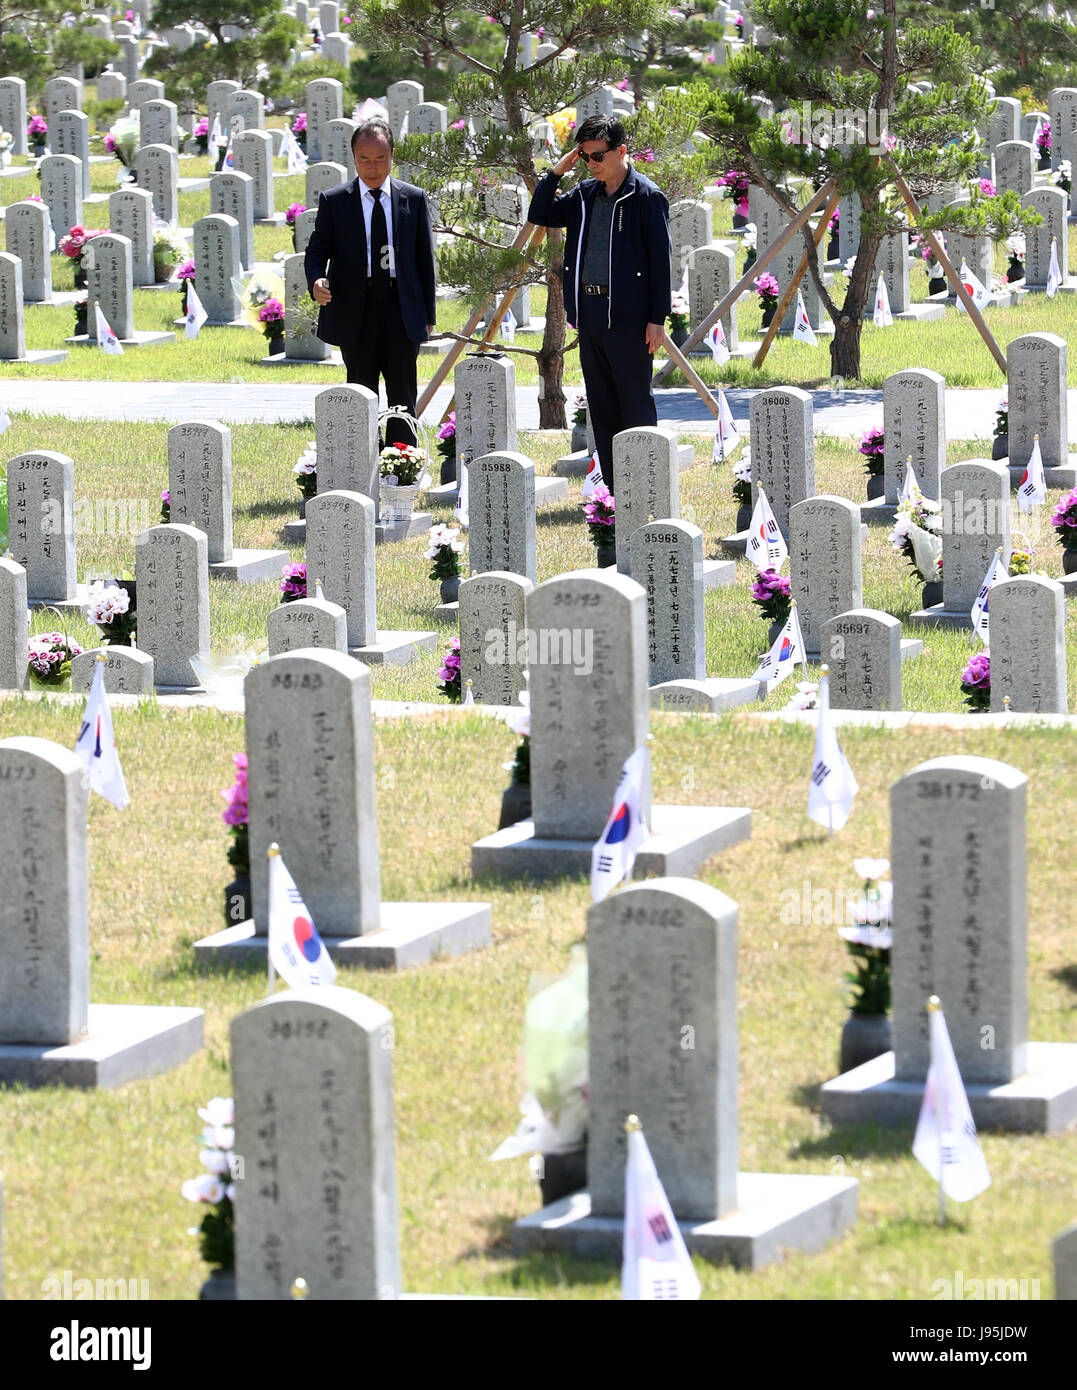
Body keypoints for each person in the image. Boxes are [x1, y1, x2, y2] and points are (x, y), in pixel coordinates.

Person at [527, 114, 671, 488]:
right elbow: (540, 213)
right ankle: (612, 490)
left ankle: (645, 487)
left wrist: (658, 317)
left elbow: (661, 260)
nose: (591, 164)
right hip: (590, 316)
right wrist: (558, 172)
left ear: (621, 151)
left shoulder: (646, 197)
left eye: (598, 155)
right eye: (585, 156)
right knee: (602, 409)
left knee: (635, 405)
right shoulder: (584, 195)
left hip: (631, 319)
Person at [304, 116, 437, 446]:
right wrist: (316, 280)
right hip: (355, 308)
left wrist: (428, 316)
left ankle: (402, 464)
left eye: (380, 158)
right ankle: (362, 457)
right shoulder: (336, 201)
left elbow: (424, 260)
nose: (373, 167)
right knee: (361, 388)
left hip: (400, 307)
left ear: (392, 155)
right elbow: (317, 249)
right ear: (353, 158)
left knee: (403, 391)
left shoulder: (413, 198)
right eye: (365, 159)